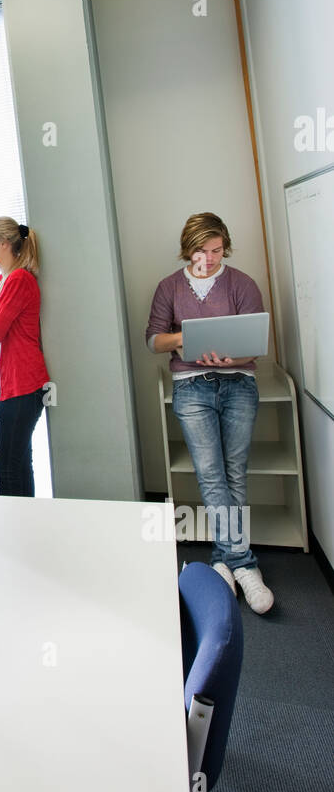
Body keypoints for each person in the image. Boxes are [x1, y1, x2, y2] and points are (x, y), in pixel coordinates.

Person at [145, 212, 274, 614]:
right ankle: (245, 563)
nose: (211, 258)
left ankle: (225, 558)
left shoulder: (242, 284)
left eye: (217, 250)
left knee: (235, 471)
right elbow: (153, 340)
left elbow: (254, 345)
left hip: (238, 383)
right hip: (191, 387)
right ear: (189, 248)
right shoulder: (169, 287)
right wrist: (186, 338)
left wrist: (227, 355)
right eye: (203, 250)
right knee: (211, 474)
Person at [0, 217, 49, 497]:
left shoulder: (18, 279)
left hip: (23, 386)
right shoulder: (2, 279)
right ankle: (27, 526)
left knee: (6, 466)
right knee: (19, 463)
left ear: (3, 243)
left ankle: (16, 530)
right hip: (12, 385)